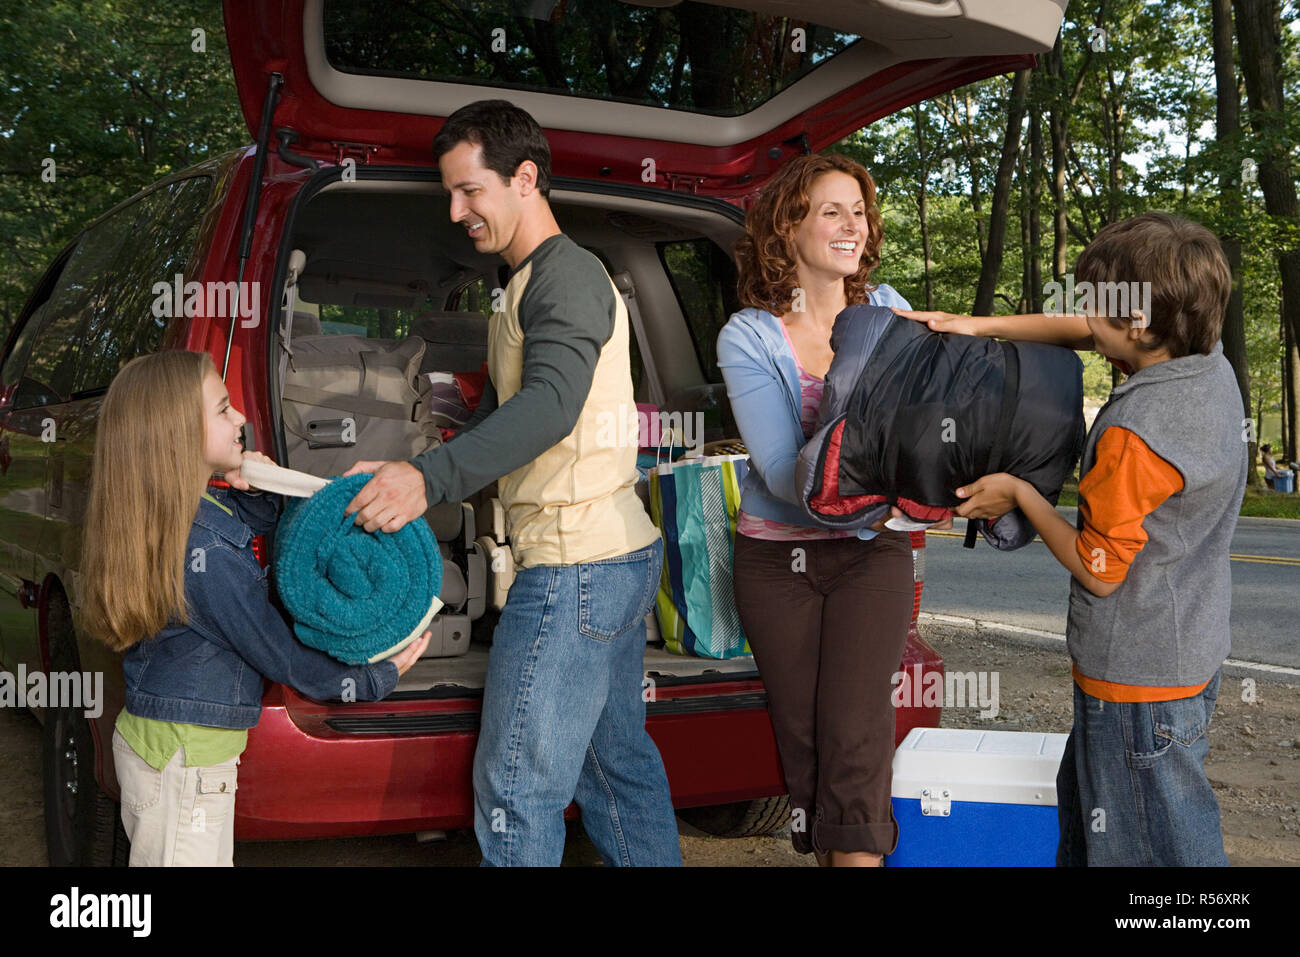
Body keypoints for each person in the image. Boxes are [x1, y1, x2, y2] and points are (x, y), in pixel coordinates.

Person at [340, 100, 679, 867]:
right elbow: (501, 424)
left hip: (574, 567)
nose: (456, 211)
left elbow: (551, 409)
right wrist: (404, 468)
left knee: (516, 792)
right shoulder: (524, 283)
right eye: (450, 194)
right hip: (610, 558)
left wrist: (425, 481)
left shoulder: (566, 277)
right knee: (617, 774)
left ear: (525, 178)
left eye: (470, 191)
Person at [905, 211, 1246, 865]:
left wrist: (1022, 495)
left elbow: (1098, 567)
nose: (1086, 318)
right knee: (1108, 837)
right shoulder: (1207, 367)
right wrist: (980, 327)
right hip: (1186, 660)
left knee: (1151, 853)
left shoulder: (1136, 433)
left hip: (1133, 685)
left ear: (1139, 325)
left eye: (1098, 307)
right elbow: (1090, 333)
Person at [77, 350, 428, 867]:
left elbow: (246, 524)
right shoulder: (207, 559)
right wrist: (371, 678)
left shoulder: (188, 518)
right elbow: (278, 654)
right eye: (222, 409)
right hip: (185, 764)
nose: (241, 418)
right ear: (176, 433)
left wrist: (258, 481)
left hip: (173, 751)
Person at [716, 153, 950, 867]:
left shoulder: (889, 312)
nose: (853, 225)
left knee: (856, 734)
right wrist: (888, 461)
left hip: (870, 551)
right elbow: (788, 477)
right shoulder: (750, 336)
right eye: (831, 210)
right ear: (789, 226)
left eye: (859, 210)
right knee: (808, 746)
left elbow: (928, 431)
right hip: (775, 561)